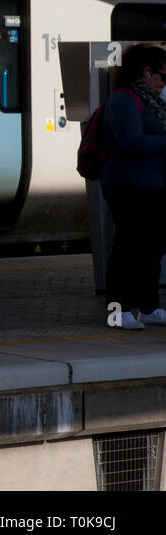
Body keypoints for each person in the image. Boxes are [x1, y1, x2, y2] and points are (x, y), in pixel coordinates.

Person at [99, 43, 166, 330]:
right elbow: (131, 142)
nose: (164, 83)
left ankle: (148, 307)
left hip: (153, 185)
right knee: (128, 247)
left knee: (151, 248)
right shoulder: (125, 100)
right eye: (163, 76)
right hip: (128, 185)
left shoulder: (154, 101)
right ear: (146, 72)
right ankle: (118, 309)